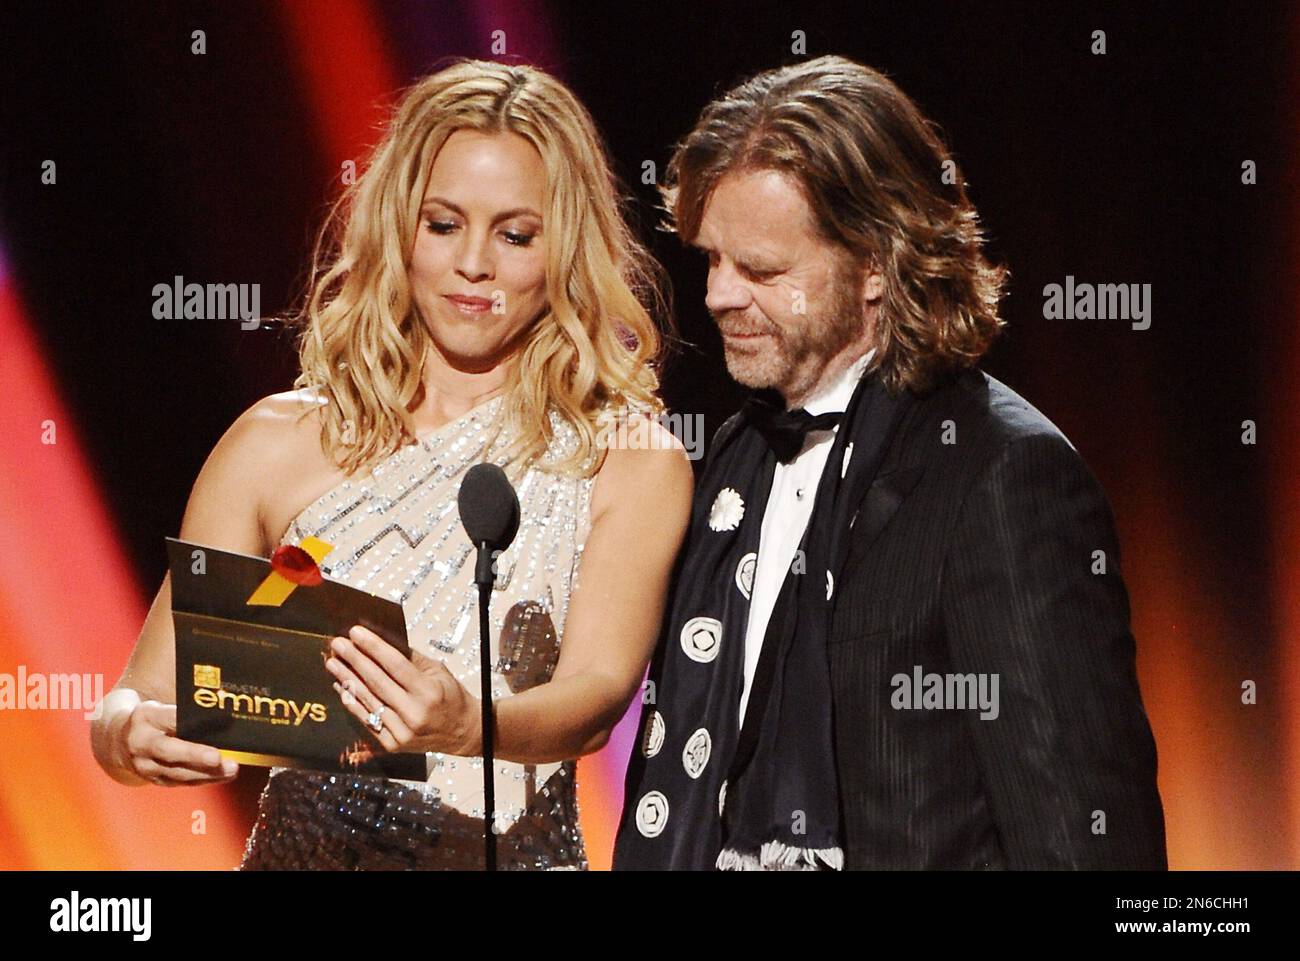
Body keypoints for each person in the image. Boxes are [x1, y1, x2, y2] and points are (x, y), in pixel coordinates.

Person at [89, 59, 693, 870]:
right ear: (398, 226)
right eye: (442, 224)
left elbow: (596, 695)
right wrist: (126, 734)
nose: (473, 263)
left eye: (515, 235)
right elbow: (147, 688)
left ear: (566, 248)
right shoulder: (275, 443)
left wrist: (468, 723)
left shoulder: (626, 459)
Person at [613, 55, 1167, 870]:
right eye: (711, 259)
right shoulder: (737, 451)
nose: (718, 296)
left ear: (876, 264)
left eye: (760, 269)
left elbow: (1083, 838)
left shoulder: (1002, 474)